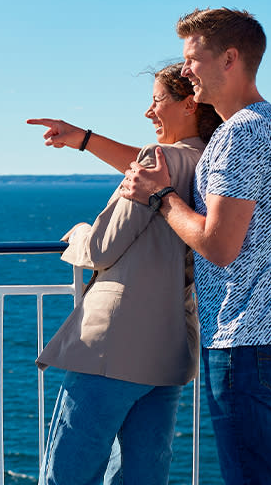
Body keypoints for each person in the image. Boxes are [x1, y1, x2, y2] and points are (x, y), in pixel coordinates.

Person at [119, 8, 271, 484]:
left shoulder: (239, 134)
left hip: (243, 338)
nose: (185, 72)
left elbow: (220, 245)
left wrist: (161, 197)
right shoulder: (270, 123)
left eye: (192, 59)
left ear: (229, 59)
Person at [28, 62, 223, 485]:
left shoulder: (158, 159)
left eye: (156, 101)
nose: (149, 113)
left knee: (69, 472)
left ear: (189, 104)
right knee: (143, 473)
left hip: (113, 346)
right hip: (170, 345)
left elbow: (100, 248)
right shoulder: (212, 163)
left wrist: (79, 234)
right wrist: (82, 139)